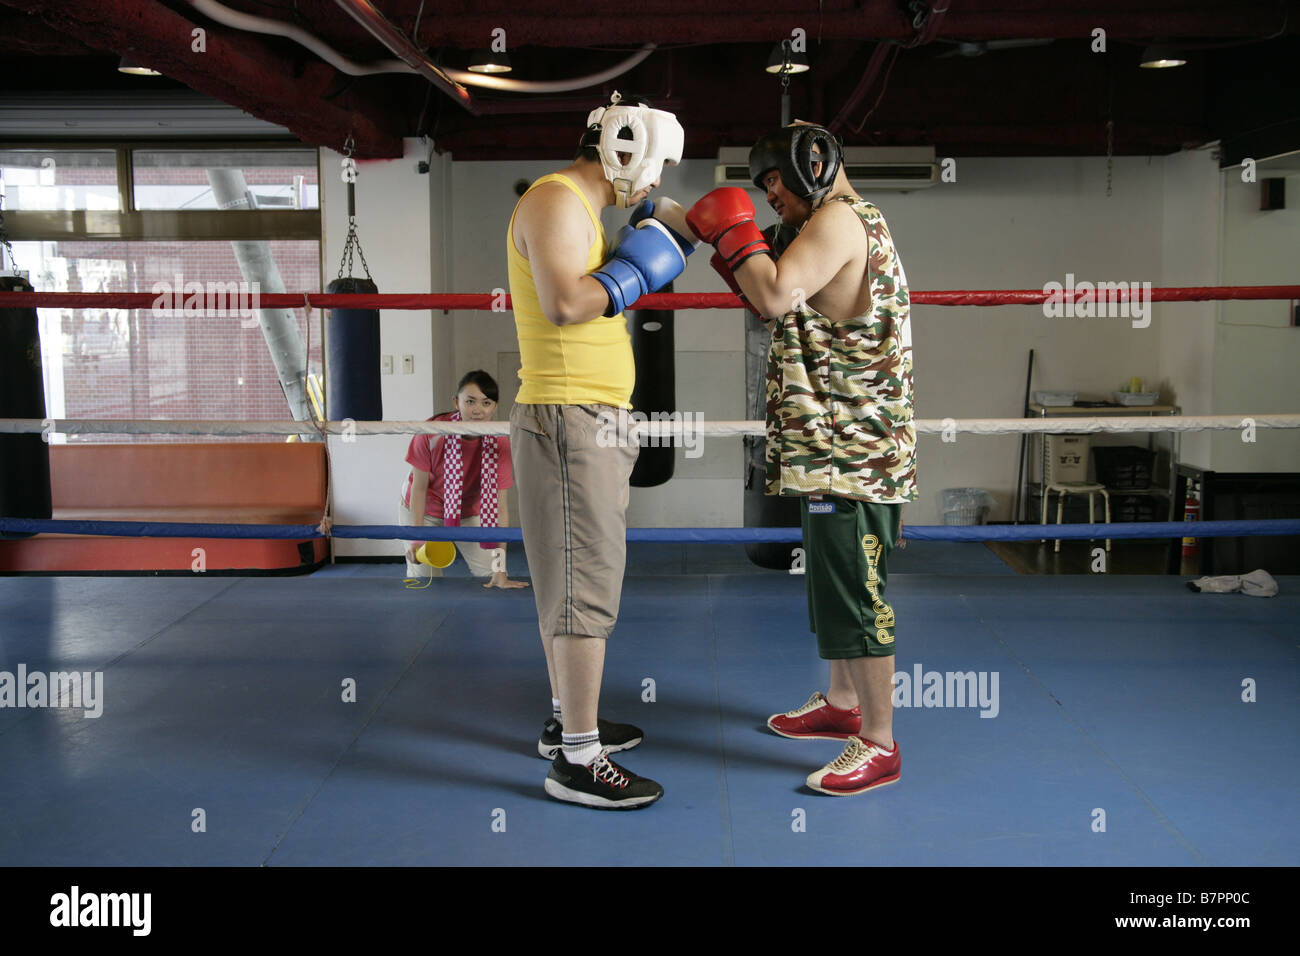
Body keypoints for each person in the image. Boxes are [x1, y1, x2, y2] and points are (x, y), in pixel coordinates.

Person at [687, 122, 917, 796]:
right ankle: (843, 702)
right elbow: (768, 304)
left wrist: (728, 230)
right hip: (829, 446)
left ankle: (879, 743)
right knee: (829, 581)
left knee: (856, 589)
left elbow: (773, 294)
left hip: (854, 450)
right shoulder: (827, 226)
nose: (771, 198)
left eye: (774, 182)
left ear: (811, 163)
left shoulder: (842, 221)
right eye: (762, 190)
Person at [506, 91, 696, 809]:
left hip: (593, 418)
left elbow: (670, 224)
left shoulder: (584, 209)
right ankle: (578, 761)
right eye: (656, 169)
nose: (653, 185)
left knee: (576, 580)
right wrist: (639, 270)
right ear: (628, 149)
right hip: (569, 418)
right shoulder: (556, 201)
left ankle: (570, 724)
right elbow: (563, 303)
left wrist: (689, 227)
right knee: (585, 587)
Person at [399, 370, 530, 590]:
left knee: (492, 576)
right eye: (470, 401)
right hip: (425, 507)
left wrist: (501, 569)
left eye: (486, 403)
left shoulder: (500, 443)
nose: (477, 410)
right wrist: (415, 539)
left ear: (495, 407)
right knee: (425, 578)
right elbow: (419, 490)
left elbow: (500, 507)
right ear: (456, 402)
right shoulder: (431, 433)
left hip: (470, 510)